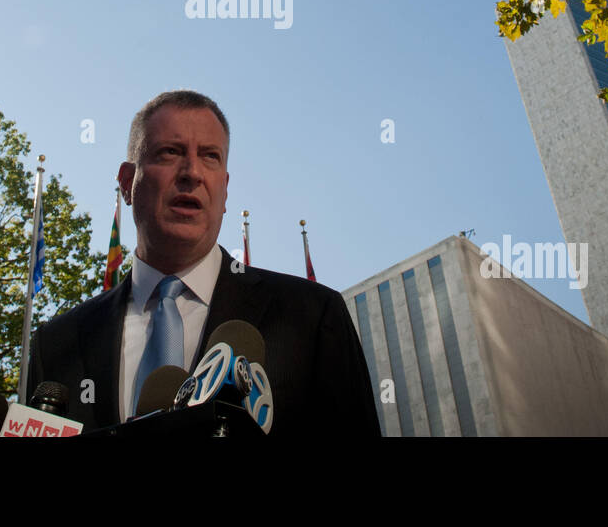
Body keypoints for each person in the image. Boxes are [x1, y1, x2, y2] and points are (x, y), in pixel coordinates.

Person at [26, 90, 381, 435]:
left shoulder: (312, 316)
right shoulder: (57, 344)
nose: (192, 172)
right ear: (126, 181)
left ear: (224, 189)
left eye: (210, 156)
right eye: (170, 152)